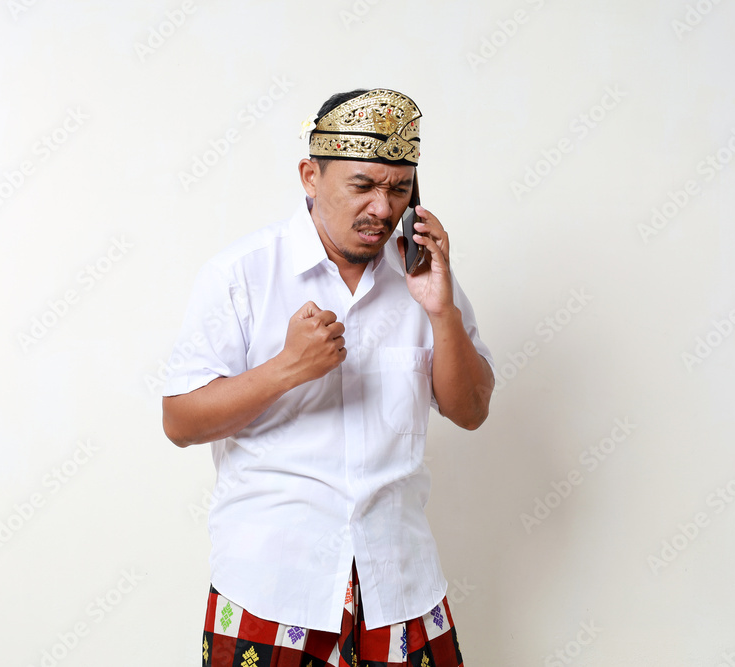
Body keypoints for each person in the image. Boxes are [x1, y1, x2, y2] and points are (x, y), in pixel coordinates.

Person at [162, 88, 494, 667]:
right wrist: (287, 369)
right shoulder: (242, 275)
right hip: (272, 588)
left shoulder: (423, 275)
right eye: (363, 186)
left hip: (401, 585)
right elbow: (180, 421)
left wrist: (441, 311)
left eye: (399, 188)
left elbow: (470, 410)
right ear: (310, 176)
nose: (383, 209)